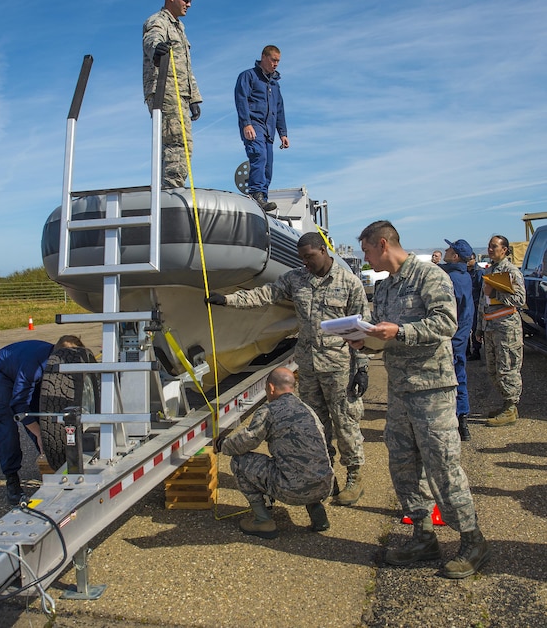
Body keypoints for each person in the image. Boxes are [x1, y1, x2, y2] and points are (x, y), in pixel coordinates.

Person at [348, 220, 489, 579]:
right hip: (400, 390)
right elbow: (381, 331)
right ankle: (423, 536)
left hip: (433, 390)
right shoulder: (383, 289)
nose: (365, 257)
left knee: (442, 465)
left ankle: (473, 540)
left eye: (365, 250)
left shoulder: (429, 277)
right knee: (403, 465)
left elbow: (446, 323)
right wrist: (365, 340)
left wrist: (402, 331)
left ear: (382, 244)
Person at [206, 231, 369, 506]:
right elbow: (265, 294)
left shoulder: (349, 282)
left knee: (345, 423)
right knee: (315, 424)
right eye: (302, 258)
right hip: (308, 366)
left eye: (309, 257)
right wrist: (228, 300)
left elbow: (362, 327)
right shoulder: (296, 279)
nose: (305, 262)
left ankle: (355, 477)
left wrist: (362, 368)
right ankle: (324, 476)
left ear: (323, 250)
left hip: (339, 367)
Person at [215, 366, 334, 538]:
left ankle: (263, 521)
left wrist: (222, 444)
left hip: (293, 490)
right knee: (306, 462)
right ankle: (319, 517)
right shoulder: (308, 410)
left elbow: (247, 441)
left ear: (271, 388)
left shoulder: (269, 411)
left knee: (239, 461)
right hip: (324, 487)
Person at [0, 335, 87, 505]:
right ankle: (12, 481)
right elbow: (19, 404)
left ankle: (49, 464)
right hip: (2, 373)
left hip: (29, 368)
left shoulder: (60, 361)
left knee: (43, 414)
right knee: (6, 424)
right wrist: (39, 434)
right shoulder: (32, 367)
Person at [143, 0, 203, 189]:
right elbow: (152, 39)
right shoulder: (158, 21)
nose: (189, 4)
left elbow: (186, 66)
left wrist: (194, 97)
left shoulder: (179, 28)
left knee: (184, 143)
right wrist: (157, 49)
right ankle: (171, 188)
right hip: (165, 90)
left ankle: (173, 185)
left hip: (181, 94)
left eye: (190, 0)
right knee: (175, 140)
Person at [476, 235, 526, 427]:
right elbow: (483, 302)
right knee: (493, 369)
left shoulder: (511, 271)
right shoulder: (491, 270)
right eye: (489, 246)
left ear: (504, 249)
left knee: (508, 369)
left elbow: (520, 300)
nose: (490, 249)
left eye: (494, 246)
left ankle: (511, 408)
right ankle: (506, 403)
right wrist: (479, 327)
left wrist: (495, 293)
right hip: (490, 327)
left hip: (506, 329)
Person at [234, 45, 289, 212]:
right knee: (259, 156)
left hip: (269, 129)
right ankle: (256, 193)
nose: (275, 64)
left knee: (268, 164)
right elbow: (241, 99)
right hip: (254, 125)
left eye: (278, 61)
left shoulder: (275, 84)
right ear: (264, 57)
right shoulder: (248, 76)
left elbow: (279, 109)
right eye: (273, 60)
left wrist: (283, 133)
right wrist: (246, 123)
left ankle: (263, 197)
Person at [442, 239, 475, 441]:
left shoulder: (450, 279)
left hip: (452, 337)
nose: (445, 250)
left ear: (455, 256)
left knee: (450, 380)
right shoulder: (465, 276)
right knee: (460, 376)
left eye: (449, 249)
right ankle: (463, 420)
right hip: (461, 335)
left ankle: (455, 421)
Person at [466, 253, 484, 362]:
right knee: (465, 328)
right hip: (467, 304)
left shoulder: (479, 272)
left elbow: (482, 289)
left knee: (476, 328)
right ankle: (466, 351)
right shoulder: (465, 272)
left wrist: (479, 304)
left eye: (470, 259)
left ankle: (476, 351)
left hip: (476, 305)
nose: (468, 261)